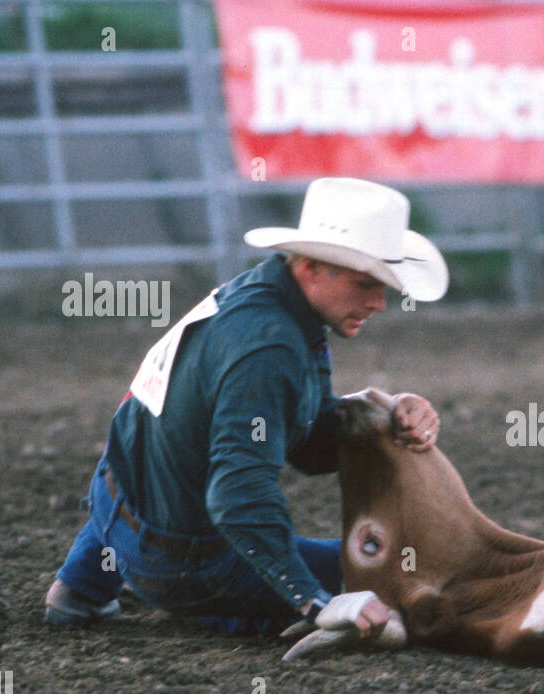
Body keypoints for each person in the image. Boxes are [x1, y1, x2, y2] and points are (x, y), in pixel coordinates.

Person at [43, 177, 448, 640]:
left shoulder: (259, 295)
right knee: (404, 566)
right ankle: (178, 591)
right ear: (313, 266)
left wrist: (379, 414)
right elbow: (237, 496)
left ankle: (80, 587)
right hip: (179, 558)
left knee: (168, 445)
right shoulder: (272, 345)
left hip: (113, 498)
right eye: (364, 284)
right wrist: (314, 600)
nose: (378, 303)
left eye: (385, 288)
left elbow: (301, 443)